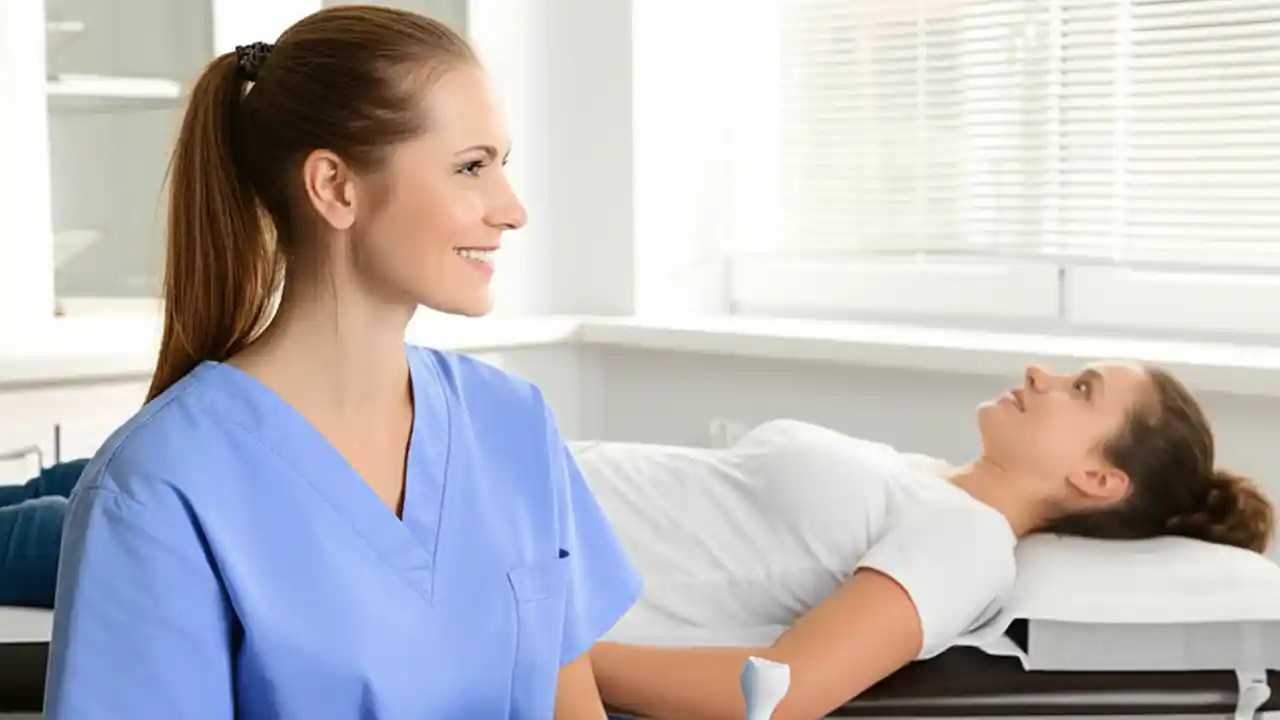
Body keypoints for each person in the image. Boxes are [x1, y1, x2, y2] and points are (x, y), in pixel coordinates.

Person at [43, 7, 640, 719]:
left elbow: (571, 704)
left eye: (501, 166)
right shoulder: (161, 486)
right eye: (471, 167)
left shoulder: (513, 425)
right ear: (335, 187)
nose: (512, 210)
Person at [586, 362, 1276, 720]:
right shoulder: (928, 481)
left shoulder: (967, 543)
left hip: (507, 558)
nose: (1040, 372)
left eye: (1080, 388)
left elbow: (783, 690)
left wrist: (562, 661)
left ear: (1097, 477)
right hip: (511, 488)